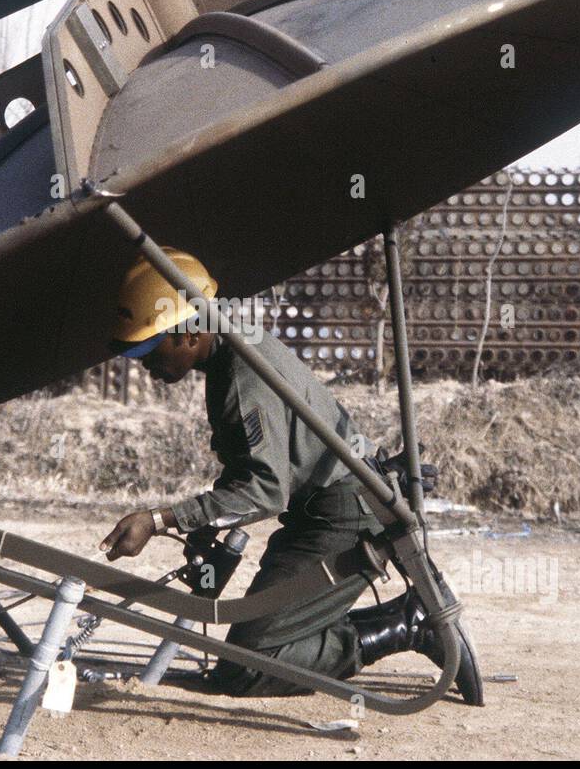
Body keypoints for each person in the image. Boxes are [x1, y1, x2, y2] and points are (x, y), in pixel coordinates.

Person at [100, 247, 483, 703]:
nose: (144, 363)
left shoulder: (242, 375)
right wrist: (205, 521)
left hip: (345, 514)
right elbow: (257, 468)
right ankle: (374, 625)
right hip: (331, 507)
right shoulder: (234, 352)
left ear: (190, 329)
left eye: (149, 347)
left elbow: (265, 490)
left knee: (250, 664)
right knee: (250, 649)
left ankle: (404, 625)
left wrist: (162, 518)